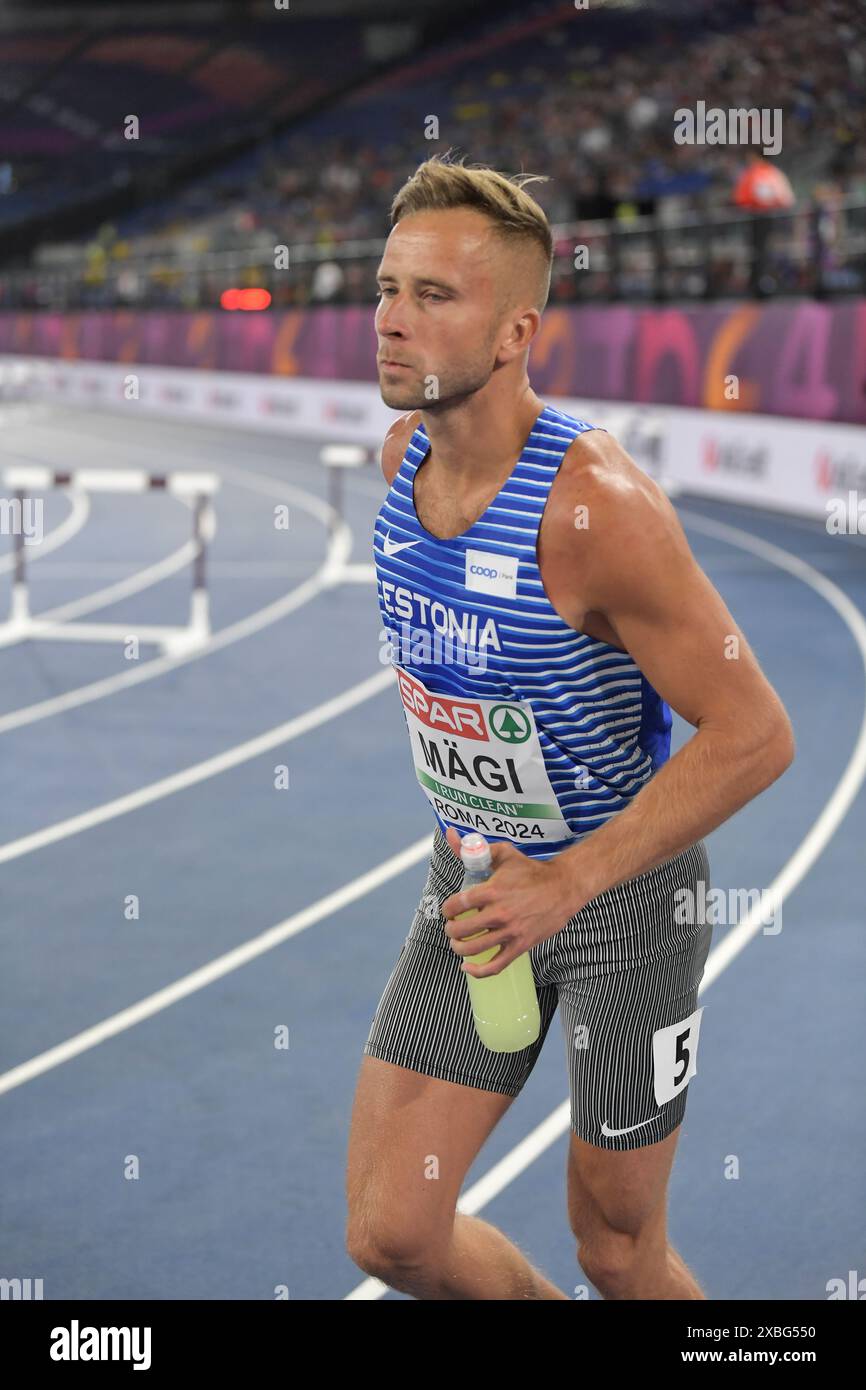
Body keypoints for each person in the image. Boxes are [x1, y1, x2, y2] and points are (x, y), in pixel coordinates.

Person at [346, 154, 795, 1300]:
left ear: (512, 334)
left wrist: (572, 879)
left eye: (432, 297)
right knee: (392, 1236)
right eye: (386, 287)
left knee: (613, 1244)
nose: (390, 321)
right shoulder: (399, 457)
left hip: (624, 906)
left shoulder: (598, 514)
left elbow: (752, 732)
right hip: (474, 888)